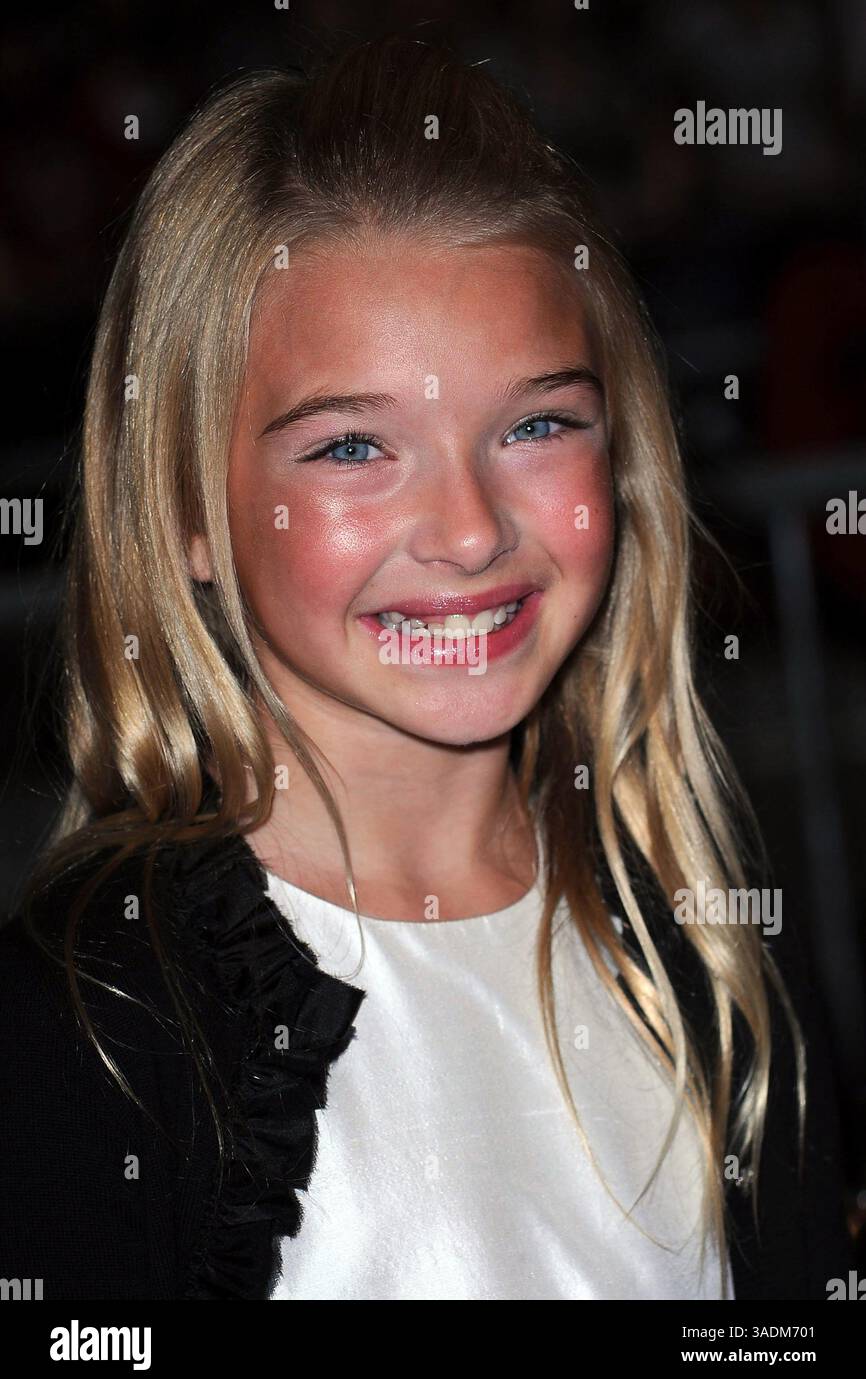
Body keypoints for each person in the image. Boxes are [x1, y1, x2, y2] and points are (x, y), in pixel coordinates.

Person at [0, 34, 853, 1301]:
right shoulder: (90, 1034)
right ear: (184, 503)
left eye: (534, 424)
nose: (468, 530)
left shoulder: (704, 944)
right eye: (351, 447)